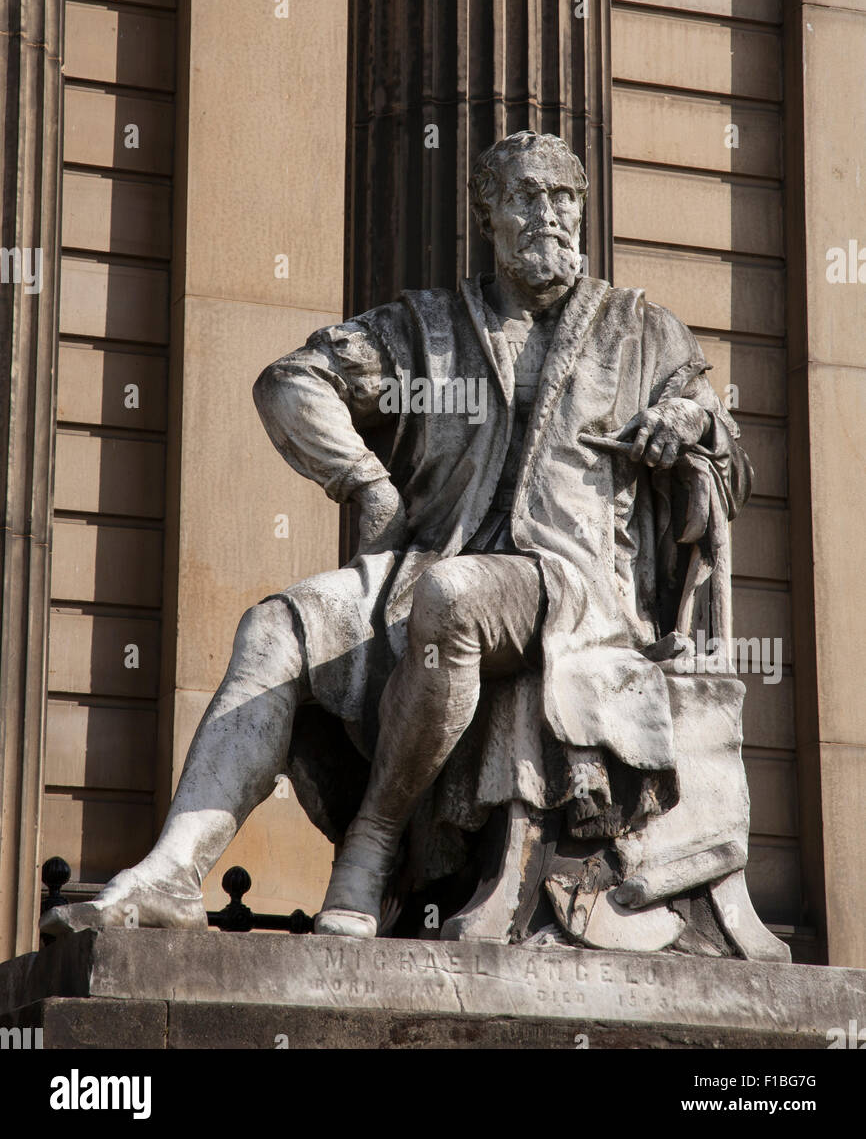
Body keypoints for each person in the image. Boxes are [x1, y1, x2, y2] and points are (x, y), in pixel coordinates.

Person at [41, 131, 749, 943]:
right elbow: (289, 382)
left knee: (453, 599)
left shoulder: (642, 330)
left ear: (582, 210)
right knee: (275, 625)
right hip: (426, 564)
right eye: (525, 196)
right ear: (490, 213)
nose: (547, 215)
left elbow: (723, 443)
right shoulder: (429, 327)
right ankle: (172, 872)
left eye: (563, 198)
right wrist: (365, 482)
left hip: (570, 585)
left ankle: (371, 847)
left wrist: (685, 424)